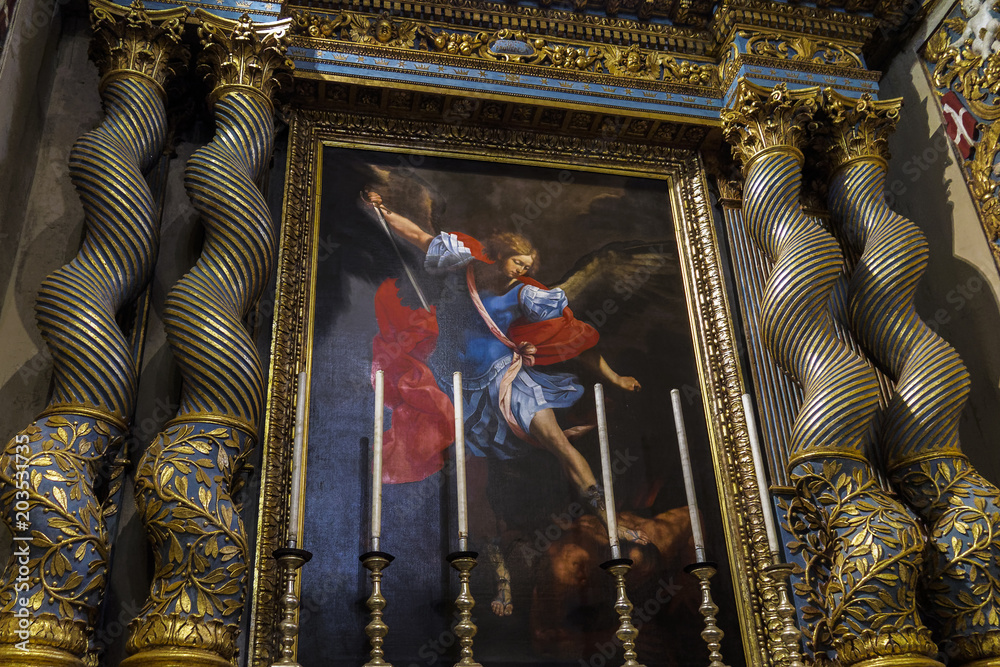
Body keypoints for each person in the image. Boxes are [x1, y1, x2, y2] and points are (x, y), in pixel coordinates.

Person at [366, 191, 648, 613]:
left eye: (530, 265)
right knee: (477, 482)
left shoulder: (526, 297)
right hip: (462, 390)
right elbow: (420, 237)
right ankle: (495, 574)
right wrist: (383, 212)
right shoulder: (461, 269)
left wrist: (612, 377)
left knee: (559, 443)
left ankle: (610, 522)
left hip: (509, 382)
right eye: (519, 262)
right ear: (499, 257)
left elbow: (574, 337)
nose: (526, 270)